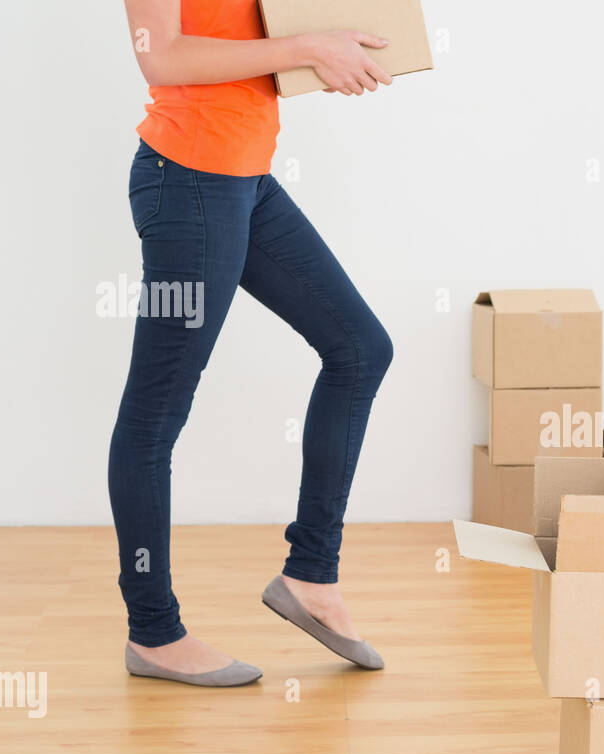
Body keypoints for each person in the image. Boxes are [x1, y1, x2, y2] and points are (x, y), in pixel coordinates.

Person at [111, 0, 396, 686]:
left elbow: (245, 35)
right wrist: (306, 47)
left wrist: (326, 50)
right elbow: (161, 53)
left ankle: (311, 577)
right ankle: (153, 634)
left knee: (360, 348)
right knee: (155, 417)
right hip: (187, 184)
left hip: (245, 182)